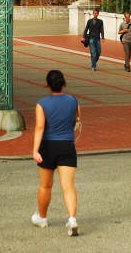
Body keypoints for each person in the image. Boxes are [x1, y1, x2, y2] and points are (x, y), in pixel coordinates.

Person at [32, 69, 81, 237]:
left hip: (48, 146)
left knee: (46, 185)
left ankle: (42, 218)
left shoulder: (42, 104)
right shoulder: (73, 100)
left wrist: (35, 150)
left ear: (47, 85)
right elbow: (77, 118)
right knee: (68, 186)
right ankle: (72, 219)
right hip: (67, 145)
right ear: (63, 82)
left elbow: (40, 127)